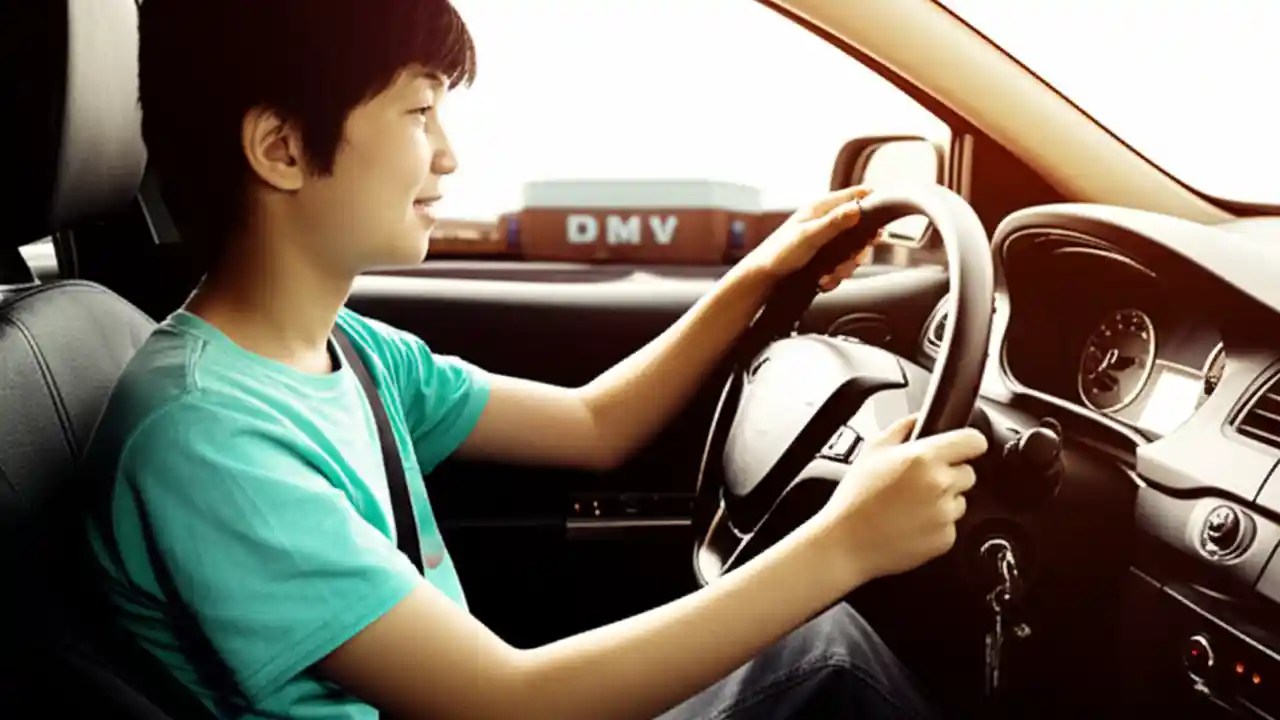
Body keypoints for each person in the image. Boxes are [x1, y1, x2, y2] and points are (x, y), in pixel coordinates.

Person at [80, 1, 988, 718]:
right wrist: (846, 545)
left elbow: (598, 424)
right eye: (420, 110)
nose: (447, 154)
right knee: (822, 660)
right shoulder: (208, 440)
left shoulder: (348, 350)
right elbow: (502, 702)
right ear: (281, 148)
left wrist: (758, 275)